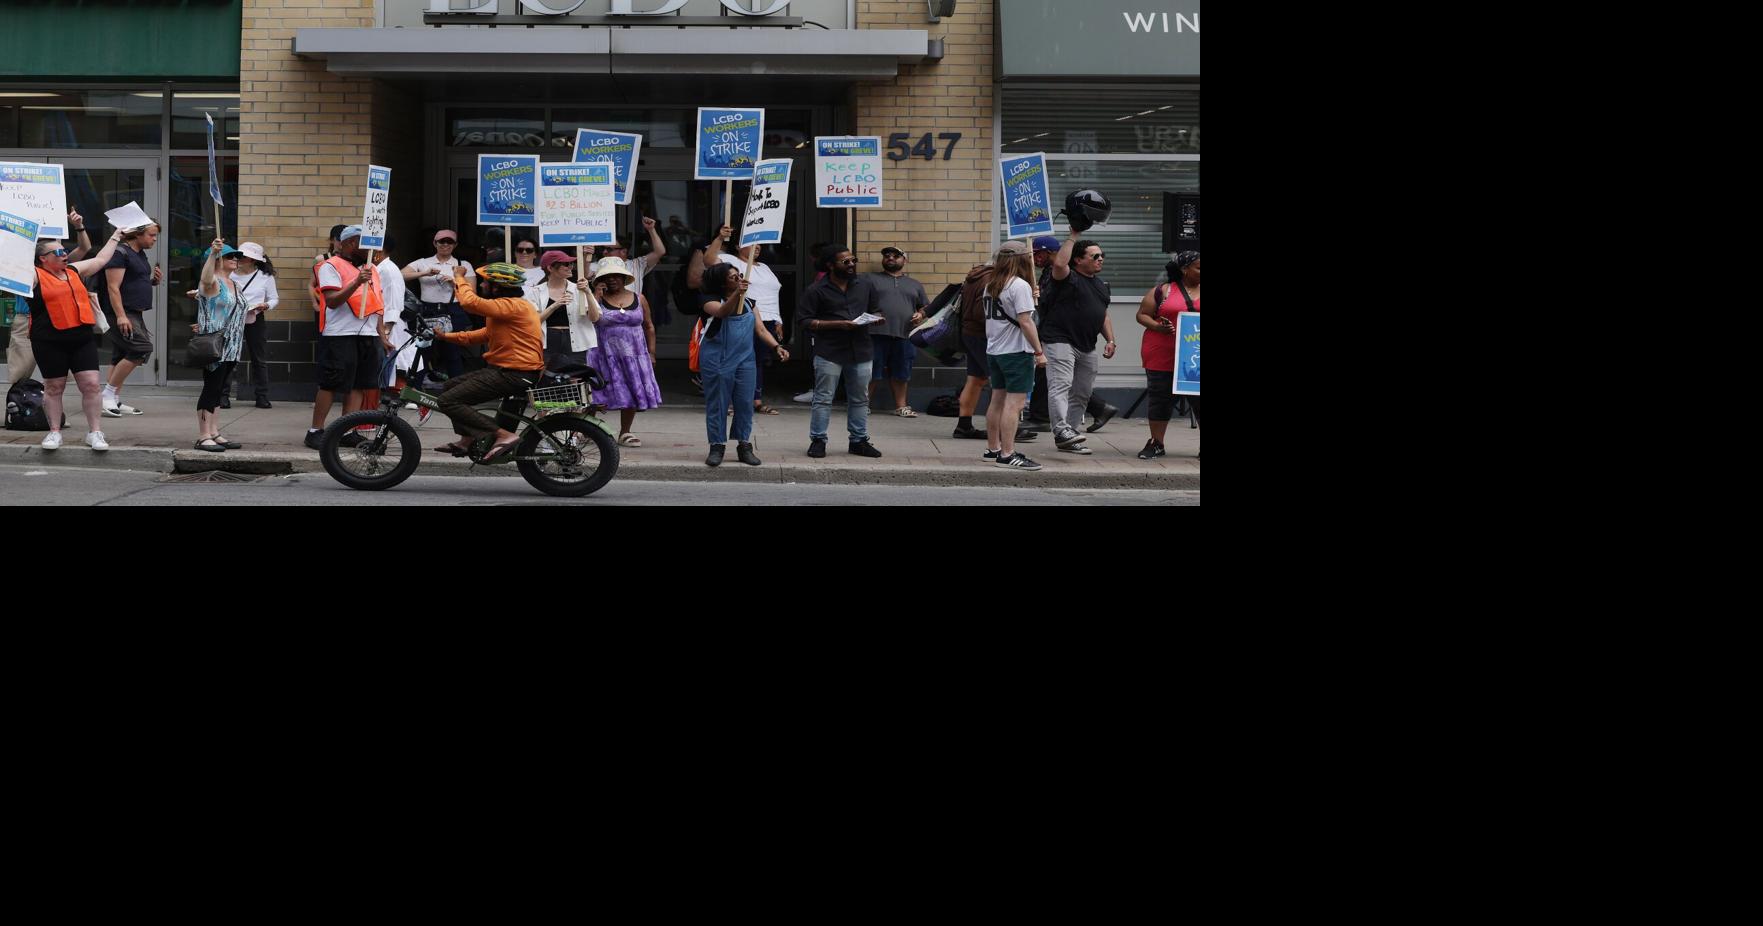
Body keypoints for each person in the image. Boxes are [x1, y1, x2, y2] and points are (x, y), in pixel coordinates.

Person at [428, 262, 544, 463]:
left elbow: (469, 303)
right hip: (505, 370)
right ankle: (468, 438)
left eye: (484, 283)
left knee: (448, 401)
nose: (481, 286)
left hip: (515, 373)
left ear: (497, 287)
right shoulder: (506, 309)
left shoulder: (512, 306)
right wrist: (446, 337)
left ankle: (503, 435)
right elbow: (482, 335)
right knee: (449, 387)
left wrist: (459, 277)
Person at [24, 225, 125, 451]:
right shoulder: (34, 275)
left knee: (91, 385)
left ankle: (95, 432)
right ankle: (54, 432)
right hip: (48, 340)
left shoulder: (73, 271)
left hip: (81, 338)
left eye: (65, 251)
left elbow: (100, 260)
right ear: (43, 259)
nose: (65, 254)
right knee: (54, 387)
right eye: (59, 252)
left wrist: (116, 236)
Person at [304, 225, 389, 450]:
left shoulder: (371, 268)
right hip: (340, 334)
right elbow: (332, 300)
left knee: (359, 384)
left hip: (368, 334)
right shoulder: (330, 266)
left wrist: (381, 335)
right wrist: (356, 282)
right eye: (366, 244)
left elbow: (378, 303)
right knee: (330, 383)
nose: (372, 250)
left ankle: (347, 430)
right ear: (351, 243)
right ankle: (315, 431)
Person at [795, 245, 883, 459]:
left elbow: (876, 309)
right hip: (830, 351)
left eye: (853, 260)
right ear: (830, 265)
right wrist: (837, 324)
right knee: (823, 398)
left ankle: (858, 441)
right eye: (846, 262)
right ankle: (818, 440)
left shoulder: (865, 285)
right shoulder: (816, 290)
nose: (851, 264)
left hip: (861, 349)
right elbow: (804, 321)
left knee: (860, 398)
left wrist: (877, 318)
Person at [698, 262, 788, 467]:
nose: (740, 279)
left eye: (739, 275)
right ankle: (717, 446)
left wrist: (776, 347)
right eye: (733, 277)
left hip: (745, 360)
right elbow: (722, 312)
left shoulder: (749, 303)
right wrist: (737, 294)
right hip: (717, 359)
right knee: (718, 403)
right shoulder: (709, 300)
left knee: (745, 403)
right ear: (721, 283)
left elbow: (761, 330)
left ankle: (744, 445)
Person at [1042, 231, 1117, 455]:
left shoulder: (1101, 285)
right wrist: (1073, 235)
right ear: (1078, 260)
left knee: (1083, 392)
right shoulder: (1068, 278)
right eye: (1095, 256)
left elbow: (1103, 315)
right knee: (1061, 385)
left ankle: (1071, 436)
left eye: (1102, 255)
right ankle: (1061, 430)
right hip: (1060, 340)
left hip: (1087, 345)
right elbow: (1059, 264)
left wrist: (1110, 339)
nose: (1100, 259)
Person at [705, 223, 785, 416]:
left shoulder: (764, 267)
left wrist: (778, 320)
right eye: (751, 243)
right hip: (743, 316)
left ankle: (755, 400)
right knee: (735, 360)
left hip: (766, 320)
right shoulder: (732, 262)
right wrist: (720, 238)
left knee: (757, 361)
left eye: (759, 244)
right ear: (738, 246)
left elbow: (771, 294)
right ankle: (730, 401)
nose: (757, 247)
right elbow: (709, 260)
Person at [982, 240, 1046, 471]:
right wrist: (1039, 352)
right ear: (1022, 260)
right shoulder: (1019, 285)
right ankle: (1008, 454)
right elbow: (1026, 322)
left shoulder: (991, 285)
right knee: (1015, 403)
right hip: (1016, 351)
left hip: (995, 350)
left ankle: (993, 448)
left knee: (997, 400)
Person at [9, 209, 91, 386]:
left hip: (59, 319)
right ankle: (19, 401)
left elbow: (85, 249)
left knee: (58, 374)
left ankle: (49, 401)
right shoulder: (21, 266)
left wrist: (79, 227)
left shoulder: (60, 264)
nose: (61, 253)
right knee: (21, 372)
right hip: (27, 319)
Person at [587, 257, 661, 447]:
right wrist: (596, 295)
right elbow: (590, 319)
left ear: (624, 277)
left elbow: (649, 326)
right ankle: (585, 430)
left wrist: (651, 353)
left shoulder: (639, 298)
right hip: (603, 355)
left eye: (616, 275)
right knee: (595, 392)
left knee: (632, 389)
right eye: (607, 276)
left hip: (634, 355)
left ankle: (625, 432)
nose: (612, 279)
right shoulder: (596, 298)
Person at [1135, 251, 1199, 460]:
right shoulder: (1163, 291)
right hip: (1162, 355)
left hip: (1195, 357)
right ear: (1184, 269)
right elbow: (1142, 314)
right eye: (1198, 267)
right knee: (1160, 400)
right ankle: (1156, 443)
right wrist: (1157, 327)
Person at [99, 220, 163, 418]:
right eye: (151, 235)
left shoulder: (139, 254)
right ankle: (107, 394)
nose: (154, 239)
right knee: (141, 348)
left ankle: (113, 399)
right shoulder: (119, 253)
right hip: (121, 312)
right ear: (137, 234)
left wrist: (153, 282)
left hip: (134, 312)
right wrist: (120, 316)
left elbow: (132, 281)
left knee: (120, 355)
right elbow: (113, 287)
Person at [190, 240, 249, 452]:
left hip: (232, 345)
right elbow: (205, 279)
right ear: (217, 260)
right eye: (229, 256)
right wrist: (213, 254)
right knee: (211, 387)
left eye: (236, 256)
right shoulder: (212, 282)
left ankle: (214, 432)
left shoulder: (236, 284)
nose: (235, 259)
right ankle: (203, 435)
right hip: (215, 344)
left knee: (220, 389)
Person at [401, 229, 474, 388]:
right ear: (435, 243)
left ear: (455, 245)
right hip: (428, 310)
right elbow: (400, 275)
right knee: (422, 351)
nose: (445, 244)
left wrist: (455, 282)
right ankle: (414, 391)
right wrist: (423, 273)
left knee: (452, 352)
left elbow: (472, 292)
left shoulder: (463, 265)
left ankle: (458, 392)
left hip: (452, 310)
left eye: (449, 242)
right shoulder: (423, 262)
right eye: (441, 241)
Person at [865, 246, 928, 416]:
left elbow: (924, 307)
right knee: (871, 371)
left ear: (904, 260)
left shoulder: (914, 284)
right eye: (887, 255)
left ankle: (901, 407)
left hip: (904, 335)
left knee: (902, 372)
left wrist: (920, 314)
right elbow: (859, 301)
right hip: (875, 334)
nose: (890, 258)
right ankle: (862, 405)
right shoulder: (869, 279)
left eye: (896, 256)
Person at [220, 241, 278, 409]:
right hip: (232, 317)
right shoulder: (229, 274)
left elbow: (274, 298)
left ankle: (262, 396)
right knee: (229, 357)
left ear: (253, 260)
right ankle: (223, 395)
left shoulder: (265, 277)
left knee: (258, 358)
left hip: (255, 317)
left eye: (242, 256)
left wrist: (266, 305)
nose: (238, 258)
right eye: (238, 255)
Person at [524, 249, 599, 371]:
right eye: (566, 264)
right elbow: (533, 322)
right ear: (550, 268)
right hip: (548, 341)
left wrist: (588, 292)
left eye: (571, 264)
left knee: (575, 377)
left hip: (575, 341)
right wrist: (555, 305)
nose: (570, 267)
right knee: (548, 377)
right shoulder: (535, 292)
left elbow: (595, 318)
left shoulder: (578, 289)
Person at [375, 237, 415, 399]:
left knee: (392, 365)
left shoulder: (389, 270)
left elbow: (393, 302)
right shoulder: (378, 268)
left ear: (380, 250)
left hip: (388, 325)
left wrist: (386, 331)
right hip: (379, 323)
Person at [588, 215, 666, 282]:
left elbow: (660, 252)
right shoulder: (598, 265)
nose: (604, 252)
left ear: (624, 251)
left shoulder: (636, 266)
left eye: (609, 249)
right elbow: (587, 274)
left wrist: (651, 229)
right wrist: (586, 254)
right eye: (603, 248)